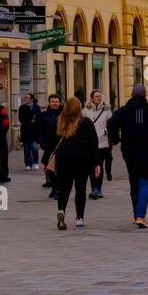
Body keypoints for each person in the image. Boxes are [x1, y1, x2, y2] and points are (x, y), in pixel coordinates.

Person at [107, 82, 148, 228]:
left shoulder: (123, 111)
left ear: (132, 95)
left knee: (134, 181)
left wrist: (116, 139)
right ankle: (140, 215)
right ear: (145, 95)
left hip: (129, 151)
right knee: (145, 180)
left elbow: (111, 124)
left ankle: (137, 213)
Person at [53, 97, 100, 230]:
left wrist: (46, 161)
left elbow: (51, 142)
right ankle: (80, 217)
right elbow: (93, 144)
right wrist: (97, 163)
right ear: (79, 108)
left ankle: (61, 210)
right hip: (82, 160)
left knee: (64, 188)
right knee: (80, 189)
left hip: (63, 160)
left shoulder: (59, 121)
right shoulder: (86, 122)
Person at [83, 89, 113, 198]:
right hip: (90, 144)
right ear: (91, 98)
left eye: (100, 96)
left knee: (99, 166)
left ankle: (99, 188)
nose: (99, 98)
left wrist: (108, 133)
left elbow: (111, 125)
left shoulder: (107, 111)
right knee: (92, 168)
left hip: (103, 143)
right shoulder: (85, 111)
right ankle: (94, 188)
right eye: (96, 96)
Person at [38, 93, 63, 197]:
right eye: (53, 102)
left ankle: (56, 189)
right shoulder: (43, 115)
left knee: (58, 168)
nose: (55, 103)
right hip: (48, 144)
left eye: (57, 102)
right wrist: (40, 142)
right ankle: (54, 186)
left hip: (61, 145)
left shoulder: (63, 114)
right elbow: (40, 130)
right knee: (48, 167)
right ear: (49, 103)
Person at [18, 93, 40, 170]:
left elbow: (38, 118)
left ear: (32, 99)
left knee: (34, 147)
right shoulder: (22, 108)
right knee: (26, 150)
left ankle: (36, 162)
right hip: (25, 131)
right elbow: (21, 119)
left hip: (34, 132)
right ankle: (28, 164)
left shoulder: (37, 107)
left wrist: (33, 119)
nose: (25, 99)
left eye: (27, 98)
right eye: (25, 98)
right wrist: (31, 119)